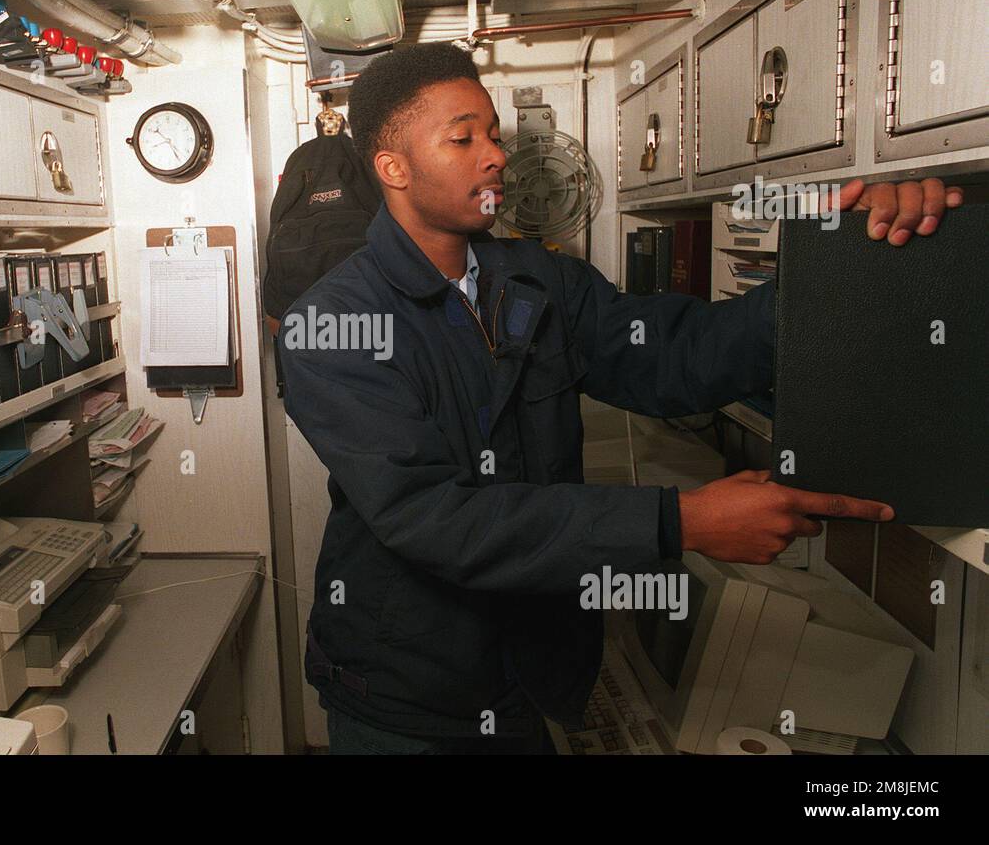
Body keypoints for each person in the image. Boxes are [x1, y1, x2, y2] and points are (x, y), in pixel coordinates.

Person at [276, 43, 964, 755]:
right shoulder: (331, 328)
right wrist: (679, 521)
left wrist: (837, 269)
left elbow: (674, 356)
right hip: (408, 700)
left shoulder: (542, 281)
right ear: (393, 167)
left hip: (537, 678)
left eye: (494, 135)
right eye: (463, 138)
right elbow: (436, 519)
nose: (494, 158)